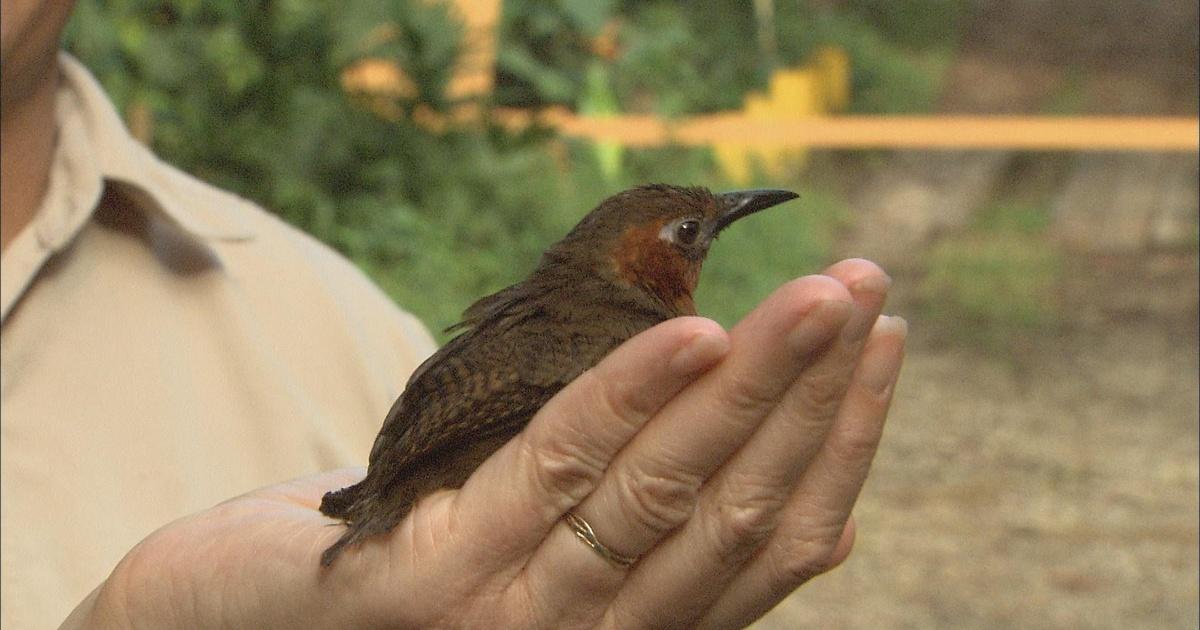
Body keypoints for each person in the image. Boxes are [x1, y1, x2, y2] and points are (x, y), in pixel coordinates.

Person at [1, 2, 907, 628]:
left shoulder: (333, 315)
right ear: (640, 262)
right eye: (689, 233)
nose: (706, 238)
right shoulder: (615, 332)